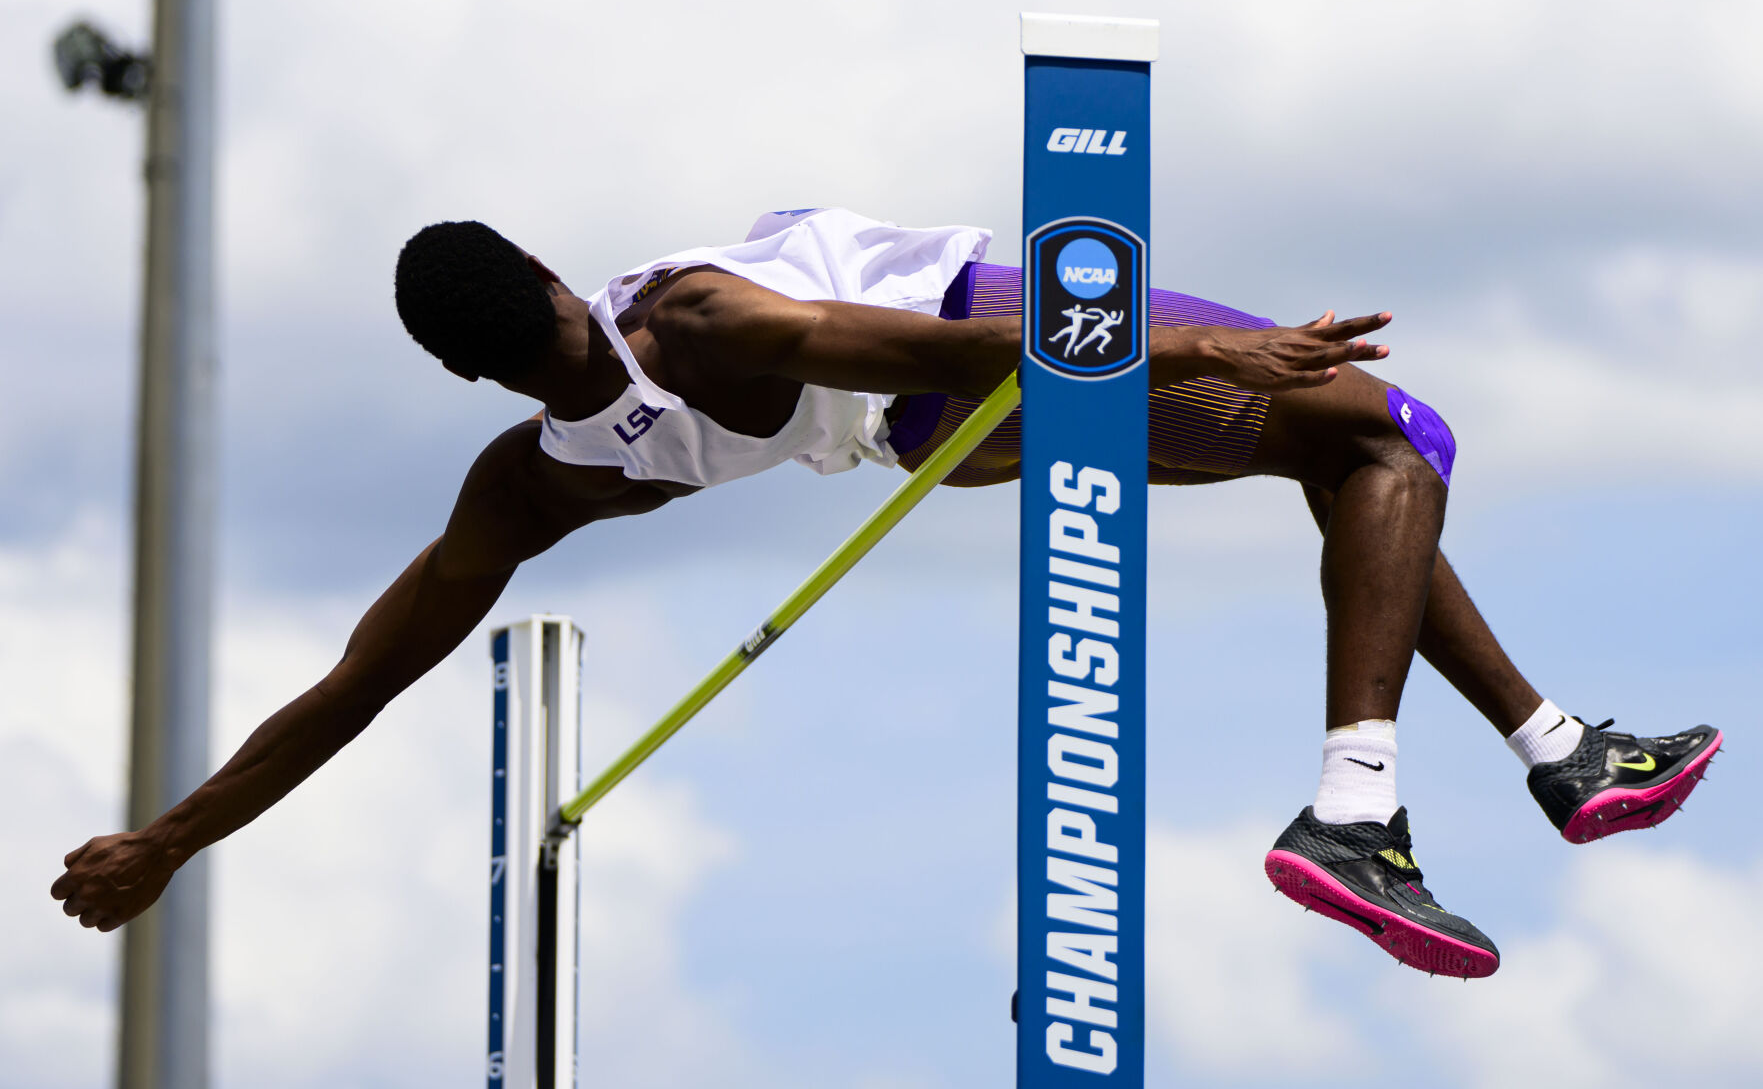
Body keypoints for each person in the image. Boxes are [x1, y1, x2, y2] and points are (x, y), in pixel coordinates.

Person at [52, 208, 1721, 978]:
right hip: (961, 340)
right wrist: (1212, 340)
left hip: (939, 441)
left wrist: (166, 846)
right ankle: (1361, 811)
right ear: (562, 275)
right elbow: (973, 340)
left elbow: (357, 687)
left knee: (1348, 472)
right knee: (1393, 438)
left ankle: (1563, 750)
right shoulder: (698, 316)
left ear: (464, 375)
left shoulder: (529, 478)